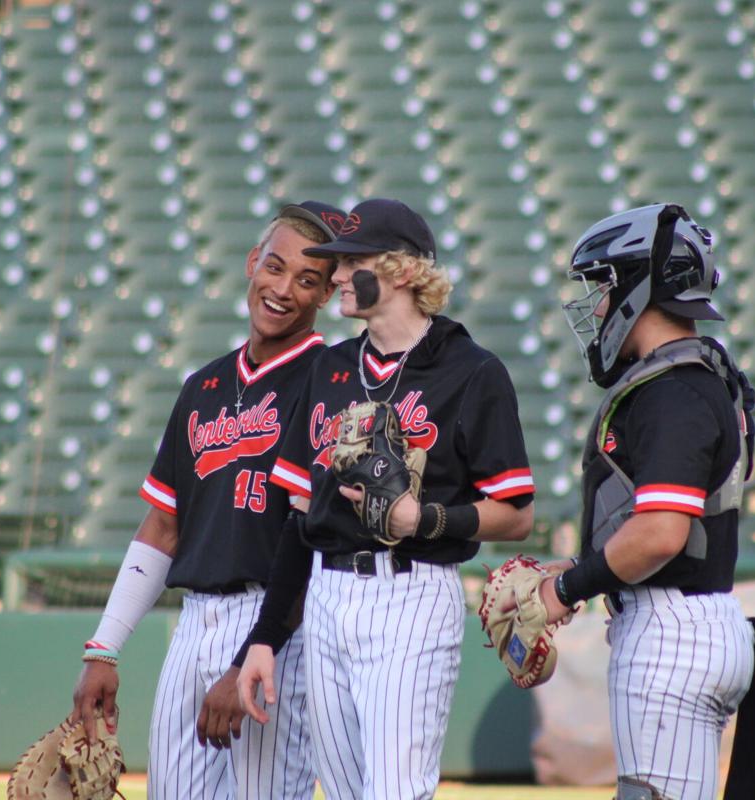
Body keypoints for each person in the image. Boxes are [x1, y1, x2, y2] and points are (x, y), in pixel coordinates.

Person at [231, 198, 536, 800]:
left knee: (395, 790)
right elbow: (300, 515)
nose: (338, 275)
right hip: (326, 595)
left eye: (353, 262)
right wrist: (264, 637)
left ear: (402, 270)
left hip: (409, 592)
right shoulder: (330, 367)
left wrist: (425, 518)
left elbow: (517, 513)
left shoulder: (471, 370)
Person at [70, 200, 347, 800]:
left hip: (279, 626)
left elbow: (313, 542)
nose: (283, 290)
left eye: (307, 280)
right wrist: (105, 649)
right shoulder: (203, 386)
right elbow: (162, 526)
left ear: (327, 294)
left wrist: (250, 653)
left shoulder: (330, 380)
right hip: (194, 621)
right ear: (252, 263)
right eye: (274, 267)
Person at [537, 203, 755, 800]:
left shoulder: (672, 389)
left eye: (604, 287)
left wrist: (566, 589)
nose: (598, 307)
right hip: (696, 618)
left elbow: (662, 532)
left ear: (638, 283)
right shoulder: (698, 377)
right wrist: (581, 566)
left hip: (670, 630)